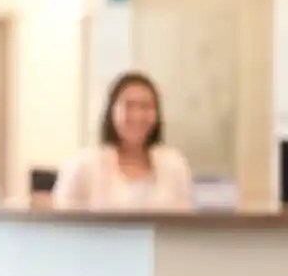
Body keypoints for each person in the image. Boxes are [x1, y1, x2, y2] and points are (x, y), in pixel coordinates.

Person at [52, 72, 193, 210]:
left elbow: (184, 227)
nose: (137, 116)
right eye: (129, 105)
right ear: (111, 112)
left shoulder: (175, 165)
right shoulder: (83, 165)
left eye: (146, 107)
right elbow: (62, 227)